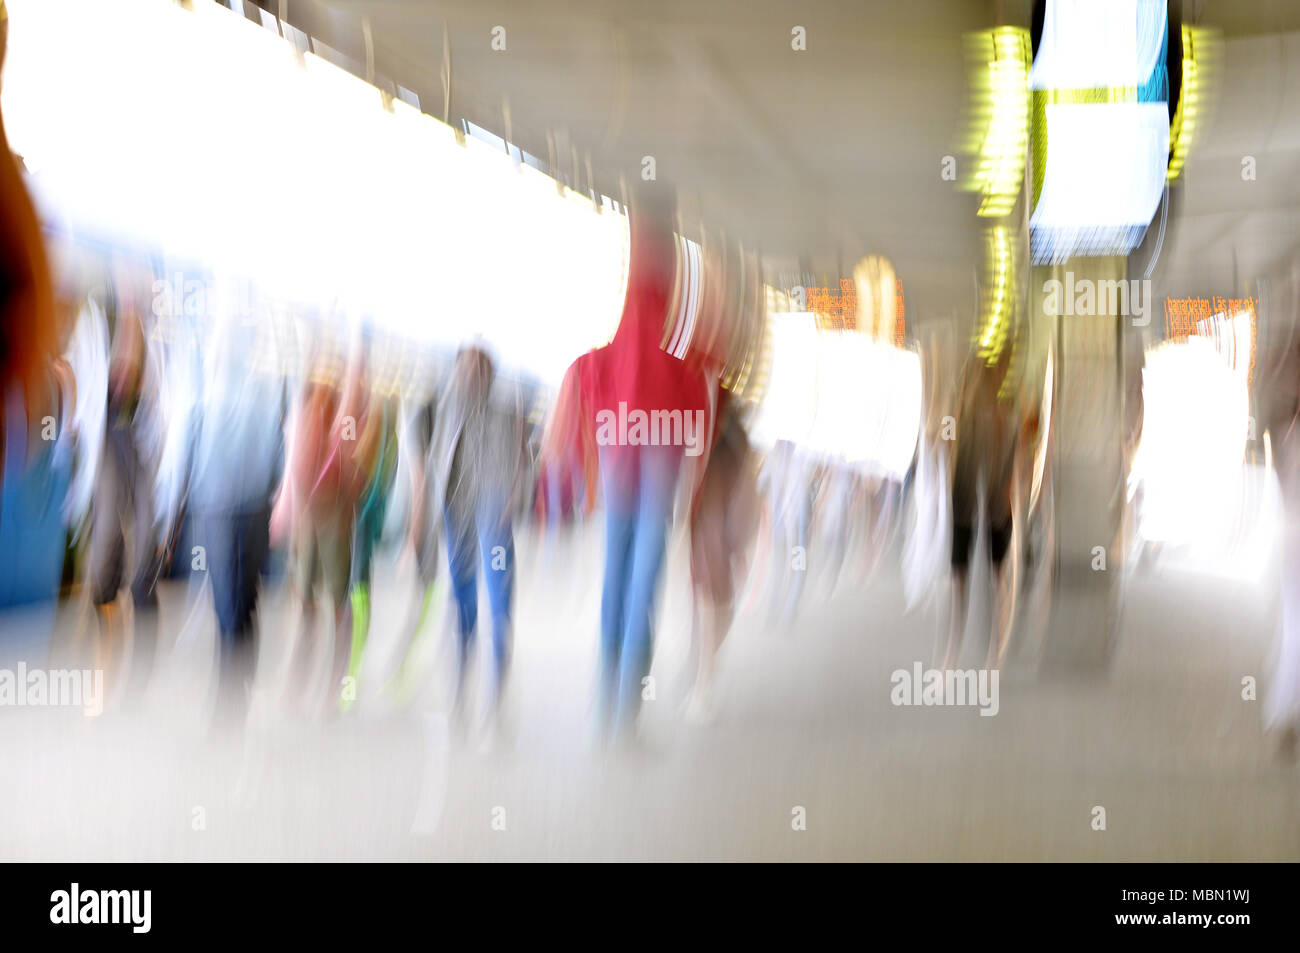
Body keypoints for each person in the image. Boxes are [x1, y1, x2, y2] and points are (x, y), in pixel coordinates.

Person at [545, 180, 711, 743]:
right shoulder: (673, 299)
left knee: (618, 567)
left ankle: (607, 695)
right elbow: (695, 378)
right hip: (659, 438)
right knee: (642, 571)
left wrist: (573, 443)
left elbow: (590, 367)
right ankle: (625, 702)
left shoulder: (628, 296)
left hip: (621, 438)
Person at [425, 346, 527, 735]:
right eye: (463, 369)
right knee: (461, 599)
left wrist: (512, 502)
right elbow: (439, 458)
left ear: (489, 375)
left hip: (493, 519)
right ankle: (459, 692)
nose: (469, 377)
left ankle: (494, 704)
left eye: (477, 369)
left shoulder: (506, 413)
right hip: (459, 515)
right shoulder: (449, 407)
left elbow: (522, 463)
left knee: (499, 604)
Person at [945, 353, 1020, 670]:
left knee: (987, 577)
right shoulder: (972, 415)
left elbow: (1012, 466)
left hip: (987, 503)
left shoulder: (1001, 415)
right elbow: (952, 453)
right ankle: (988, 653)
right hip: (978, 502)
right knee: (989, 577)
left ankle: (986, 652)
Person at [686, 401, 759, 722]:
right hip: (713, 528)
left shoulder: (729, 436)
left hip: (713, 528)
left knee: (712, 599)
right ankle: (704, 678)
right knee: (713, 599)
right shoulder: (733, 437)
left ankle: (704, 679)